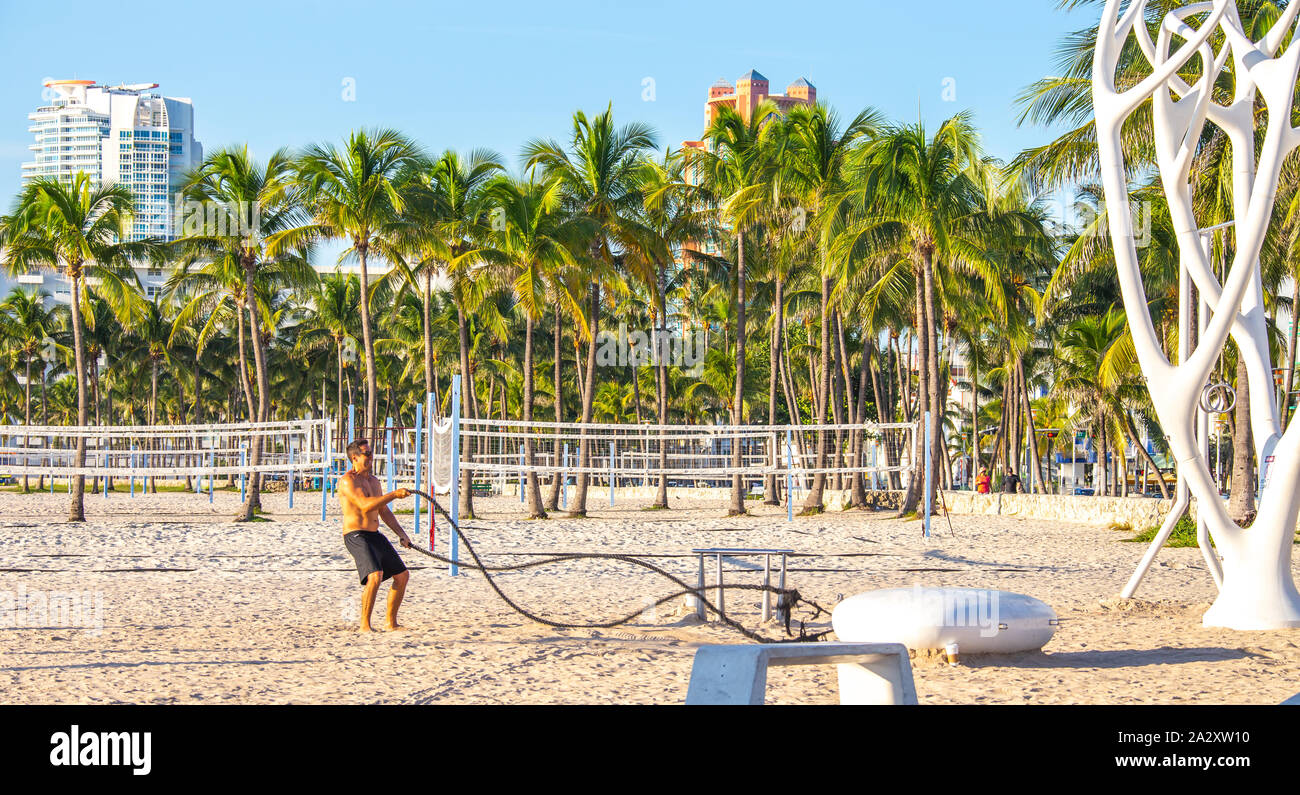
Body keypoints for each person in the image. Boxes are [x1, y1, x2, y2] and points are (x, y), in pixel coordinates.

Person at [338, 438, 414, 633]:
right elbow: (365, 506)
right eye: (367, 454)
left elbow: (383, 511)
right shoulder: (348, 481)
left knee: (402, 576)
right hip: (356, 535)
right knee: (375, 575)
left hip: (374, 534)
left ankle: (391, 622)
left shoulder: (373, 481)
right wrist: (394, 494)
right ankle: (365, 625)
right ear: (354, 457)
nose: (371, 457)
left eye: (371, 453)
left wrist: (401, 534)